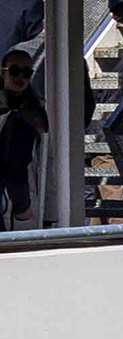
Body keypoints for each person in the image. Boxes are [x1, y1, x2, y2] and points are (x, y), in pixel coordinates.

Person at [0, 39, 42, 229]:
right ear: (3, 72)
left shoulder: (35, 110)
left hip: (20, 190)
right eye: (15, 71)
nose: (21, 78)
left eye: (27, 72)